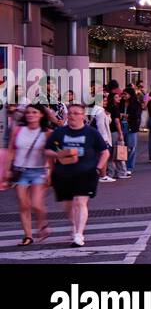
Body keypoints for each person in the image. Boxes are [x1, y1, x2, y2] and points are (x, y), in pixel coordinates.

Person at [45, 103, 109, 247]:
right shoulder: (60, 132)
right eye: (71, 113)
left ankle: (79, 234)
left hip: (86, 172)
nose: (73, 116)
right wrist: (59, 153)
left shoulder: (91, 133)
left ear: (83, 116)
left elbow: (105, 152)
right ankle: (74, 227)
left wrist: (98, 169)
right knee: (69, 205)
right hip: (63, 173)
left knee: (80, 202)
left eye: (76, 113)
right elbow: (47, 150)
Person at [1, 103, 52, 244]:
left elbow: (49, 154)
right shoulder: (18, 130)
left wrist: (49, 171)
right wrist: (7, 171)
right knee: (23, 204)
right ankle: (28, 236)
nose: (30, 115)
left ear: (41, 115)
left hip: (38, 171)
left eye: (34, 112)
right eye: (28, 112)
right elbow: (11, 150)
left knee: (36, 204)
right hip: (20, 171)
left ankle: (42, 224)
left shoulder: (46, 132)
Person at [87, 93, 116, 184]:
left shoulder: (93, 109)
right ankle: (103, 175)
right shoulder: (100, 110)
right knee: (103, 156)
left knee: (96, 156)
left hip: (93, 136)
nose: (106, 102)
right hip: (101, 136)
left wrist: (108, 116)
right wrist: (104, 139)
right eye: (104, 100)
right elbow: (101, 126)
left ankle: (99, 175)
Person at [122, 84, 142, 177]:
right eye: (123, 94)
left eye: (125, 94)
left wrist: (126, 116)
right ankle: (122, 166)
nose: (124, 96)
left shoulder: (135, 104)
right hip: (121, 126)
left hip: (131, 127)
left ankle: (129, 167)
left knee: (131, 147)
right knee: (122, 147)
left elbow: (136, 116)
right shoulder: (121, 103)